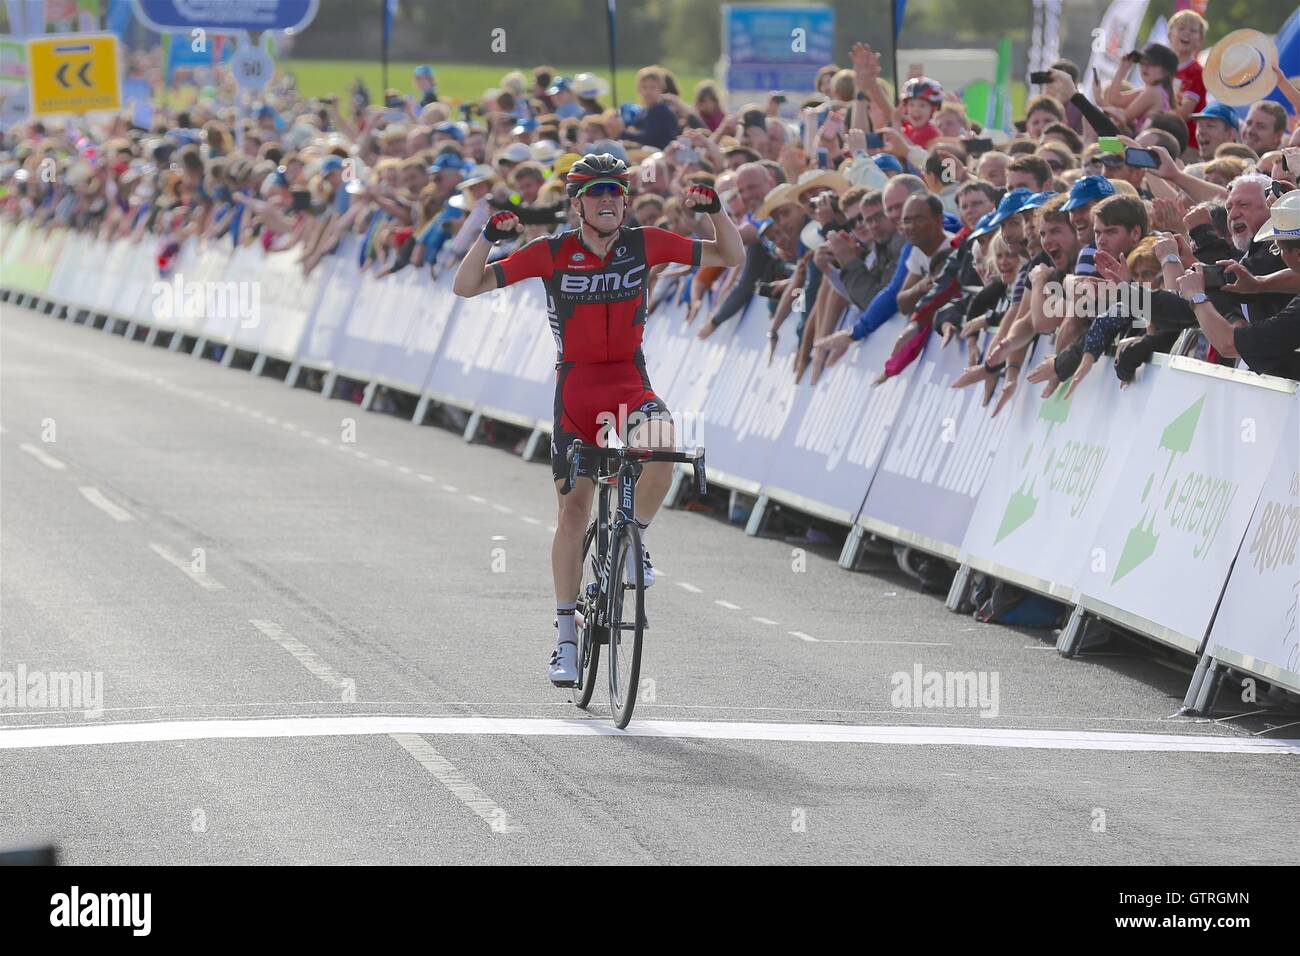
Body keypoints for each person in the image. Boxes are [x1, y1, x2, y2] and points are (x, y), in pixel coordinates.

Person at [451, 153, 743, 686]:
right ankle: (565, 637)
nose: (609, 200)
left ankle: (633, 540)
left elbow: (730, 254)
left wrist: (716, 210)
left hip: (630, 383)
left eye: (616, 192)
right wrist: (488, 238)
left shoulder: (645, 243)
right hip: (577, 393)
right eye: (597, 192)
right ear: (578, 203)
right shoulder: (552, 252)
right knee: (572, 514)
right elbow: (465, 286)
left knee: (662, 450)